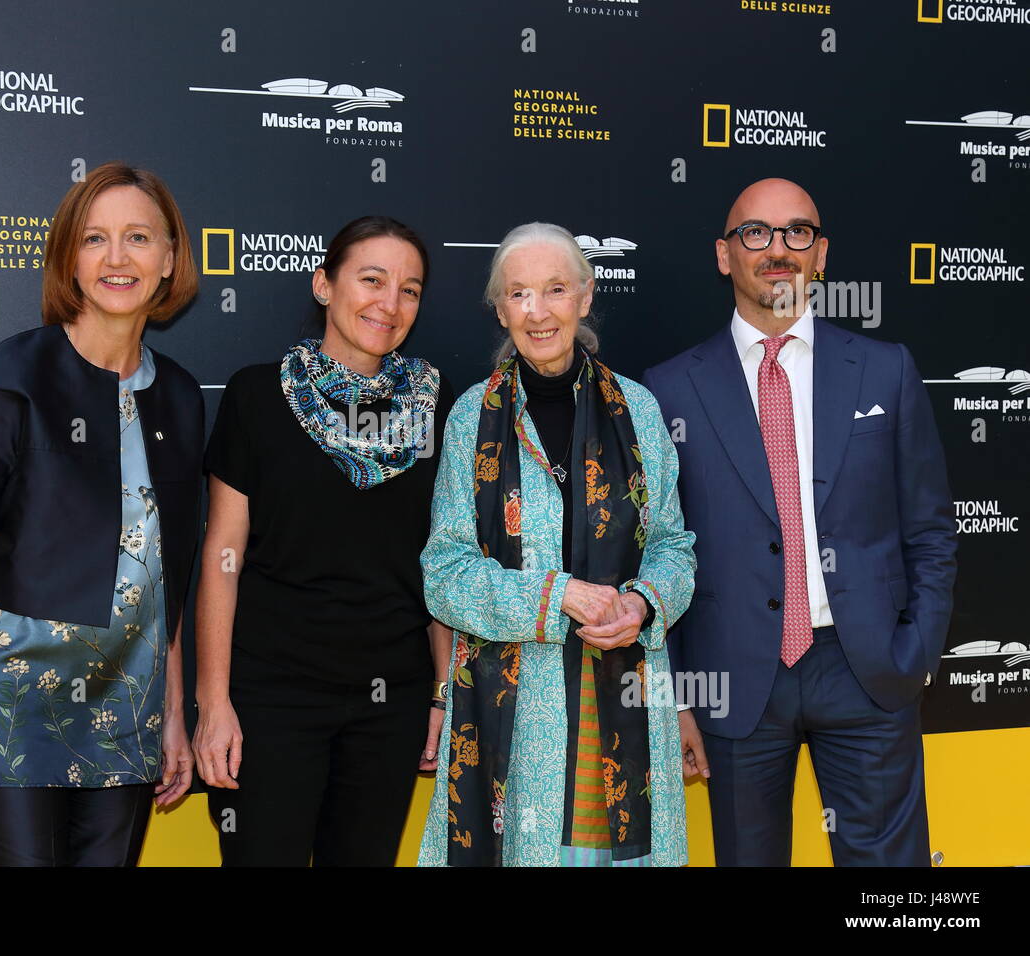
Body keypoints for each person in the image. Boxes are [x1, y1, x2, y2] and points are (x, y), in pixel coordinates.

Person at [642, 178, 958, 866]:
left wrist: (917, 652)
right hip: (732, 682)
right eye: (755, 232)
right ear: (725, 256)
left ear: (821, 255)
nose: (777, 248)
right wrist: (675, 696)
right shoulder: (666, 391)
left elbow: (929, 530)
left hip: (869, 671)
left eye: (797, 233)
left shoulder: (886, 370)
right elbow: (655, 557)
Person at [0, 162, 203, 866]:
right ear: (70, 259)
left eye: (138, 238)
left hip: (126, 709)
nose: (117, 258)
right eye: (95, 239)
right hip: (7, 705)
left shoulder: (182, 398)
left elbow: (170, 580)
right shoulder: (15, 372)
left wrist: (172, 717)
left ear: (168, 261)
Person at [418, 222, 696, 866]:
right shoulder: (469, 418)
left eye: (555, 290)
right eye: (518, 294)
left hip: (621, 705)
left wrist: (644, 606)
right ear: (499, 308)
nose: (537, 311)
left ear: (586, 297)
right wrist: (557, 596)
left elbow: (674, 547)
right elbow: (445, 572)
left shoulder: (640, 411)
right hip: (508, 726)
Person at [193, 215, 454, 866]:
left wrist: (442, 694)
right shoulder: (257, 396)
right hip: (272, 699)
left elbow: (441, 563)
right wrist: (214, 702)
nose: (389, 304)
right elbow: (222, 559)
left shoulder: (432, 408)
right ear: (323, 285)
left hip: (390, 700)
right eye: (371, 279)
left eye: (410, 289)